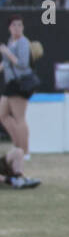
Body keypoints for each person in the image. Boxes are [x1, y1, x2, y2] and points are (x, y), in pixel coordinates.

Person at [0, 15, 38, 188]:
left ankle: (24, 150)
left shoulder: (23, 42)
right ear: (9, 28)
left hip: (20, 84)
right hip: (10, 84)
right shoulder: (10, 42)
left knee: (19, 117)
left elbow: (22, 64)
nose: (17, 28)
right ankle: (18, 146)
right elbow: (7, 64)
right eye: (14, 25)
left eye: (20, 25)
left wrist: (7, 53)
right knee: (3, 115)